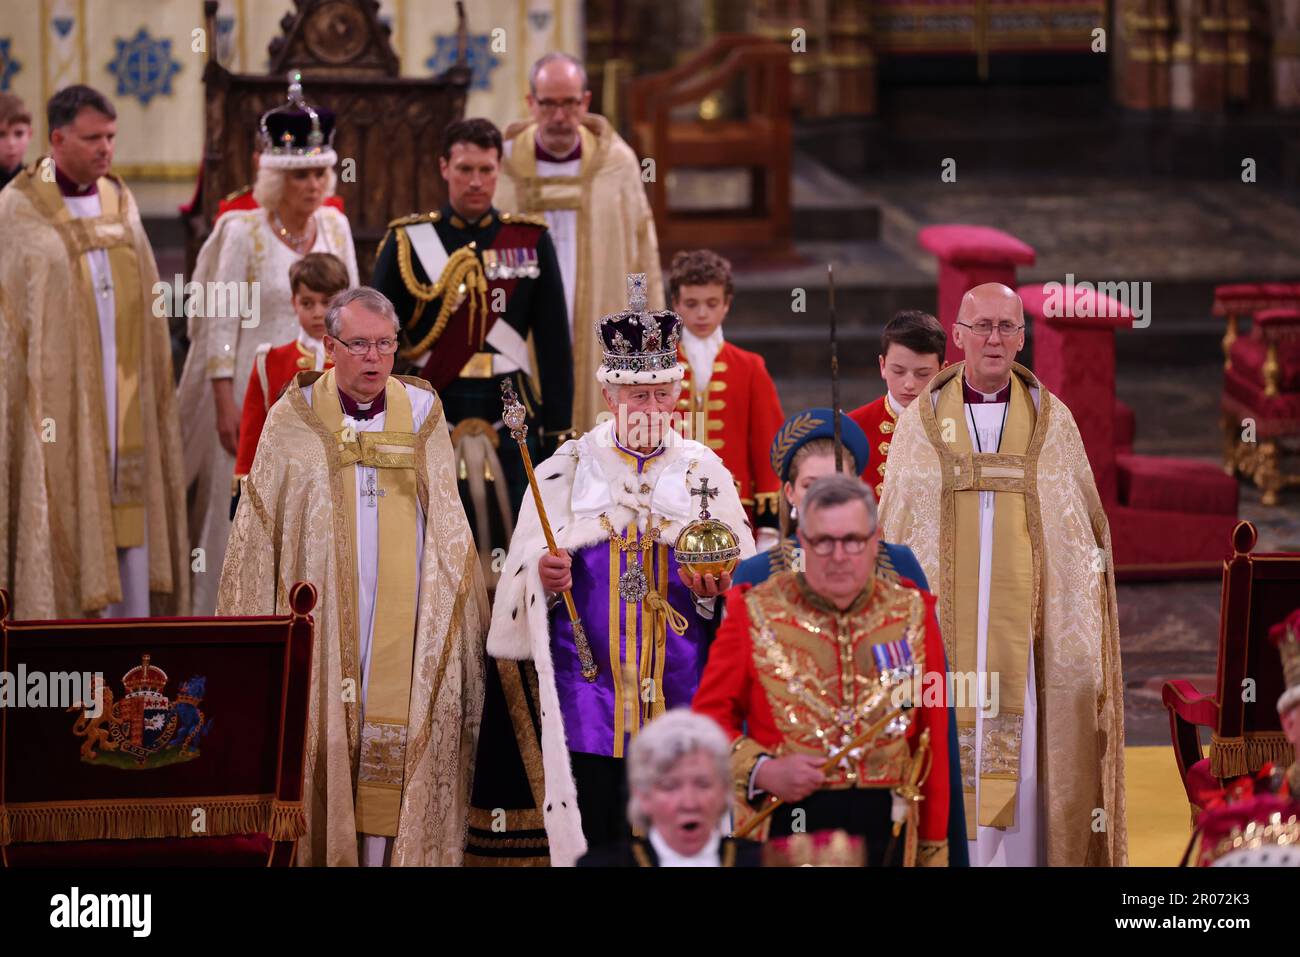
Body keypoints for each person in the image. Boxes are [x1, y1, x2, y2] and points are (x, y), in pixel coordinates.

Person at [468, 275, 755, 867]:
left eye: (658, 393)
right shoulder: (562, 472)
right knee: (599, 846)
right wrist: (543, 584)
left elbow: (741, 596)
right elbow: (518, 594)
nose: (647, 407)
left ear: (677, 395)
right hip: (587, 701)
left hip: (682, 693)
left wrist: (710, 596)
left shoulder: (707, 473)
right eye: (634, 394)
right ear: (608, 393)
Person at [218, 287, 488, 866]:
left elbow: (447, 521)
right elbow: (260, 536)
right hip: (324, 623)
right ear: (329, 346)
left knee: (392, 727)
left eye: (385, 345)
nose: (373, 358)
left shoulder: (421, 412)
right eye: (359, 344)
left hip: (403, 613)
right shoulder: (291, 417)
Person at [878, 281, 1127, 866]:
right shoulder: (922, 421)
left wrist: (1076, 623)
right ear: (958, 335)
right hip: (948, 625)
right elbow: (899, 520)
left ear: (1023, 337)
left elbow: (1077, 528)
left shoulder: (1050, 419)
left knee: (1031, 744)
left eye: (1006, 327)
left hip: (1028, 630)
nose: (994, 338)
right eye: (981, 326)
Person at [0, 85, 189, 618]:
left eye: (110, 137)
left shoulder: (120, 200)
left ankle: (132, 651)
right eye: (92, 139)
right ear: (56, 139)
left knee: (129, 516)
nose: (106, 149)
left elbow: (151, 307)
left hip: (125, 396)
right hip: (59, 409)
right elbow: (13, 334)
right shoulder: (17, 210)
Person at [694, 475, 952, 866]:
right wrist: (764, 771)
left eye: (853, 540)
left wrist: (933, 849)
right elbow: (706, 724)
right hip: (788, 820)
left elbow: (933, 737)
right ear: (801, 542)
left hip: (889, 827)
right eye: (823, 542)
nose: (839, 555)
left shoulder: (913, 612)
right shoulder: (756, 610)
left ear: (875, 540)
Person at [177, 75, 358, 614]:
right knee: (241, 504)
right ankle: (227, 618)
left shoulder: (334, 225)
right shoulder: (243, 232)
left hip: (323, 391)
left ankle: (310, 617)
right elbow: (217, 321)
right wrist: (224, 396)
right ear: (275, 179)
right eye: (300, 175)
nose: (313, 185)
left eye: (319, 173)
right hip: (255, 392)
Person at [371, 117, 573, 585]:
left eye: (485, 168)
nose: (476, 181)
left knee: (517, 530)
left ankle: (513, 644)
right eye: (464, 168)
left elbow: (553, 344)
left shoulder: (530, 240)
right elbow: (382, 336)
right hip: (433, 399)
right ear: (444, 167)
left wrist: (559, 430)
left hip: (510, 404)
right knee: (432, 530)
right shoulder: (408, 241)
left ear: (499, 168)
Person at [495, 52, 664, 434]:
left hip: (599, 320)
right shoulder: (502, 166)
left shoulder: (616, 164)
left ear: (585, 102)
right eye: (548, 103)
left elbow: (640, 251)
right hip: (521, 329)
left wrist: (647, 331)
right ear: (531, 103)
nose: (559, 116)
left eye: (569, 103)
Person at [733, 408, 929, 589]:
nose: (824, 498)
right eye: (810, 486)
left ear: (856, 487)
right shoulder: (756, 574)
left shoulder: (899, 564)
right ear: (790, 492)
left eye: (837, 483)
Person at [669, 249, 784, 549]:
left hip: (737, 506)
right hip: (670, 505)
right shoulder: (661, 369)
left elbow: (767, 442)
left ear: (726, 305)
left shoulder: (750, 366)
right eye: (691, 304)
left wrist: (769, 524)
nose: (702, 314)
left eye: (712, 303)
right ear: (676, 304)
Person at [577, 710, 763, 867]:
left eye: (703, 784)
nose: (689, 802)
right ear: (642, 795)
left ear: (724, 790)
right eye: (670, 787)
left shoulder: (765, 861)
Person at [232, 251, 347, 486]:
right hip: (284, 483)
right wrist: (243, 485)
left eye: (327, 302)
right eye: (307, 303)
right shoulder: (269, 361)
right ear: (293, 302)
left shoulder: (356, 359)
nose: (317, 313)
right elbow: (252, 434)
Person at [848, 310, 946, 500]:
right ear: (882, 365)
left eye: (923, 374)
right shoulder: (853, 427)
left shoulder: (960, 423)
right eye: (898, 371)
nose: (909, 384)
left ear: (943, 370)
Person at [0, 92, 33, 191]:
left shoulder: (39, 185)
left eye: (19, 134)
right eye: (1, 134)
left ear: (29, 134)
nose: (11, 143)